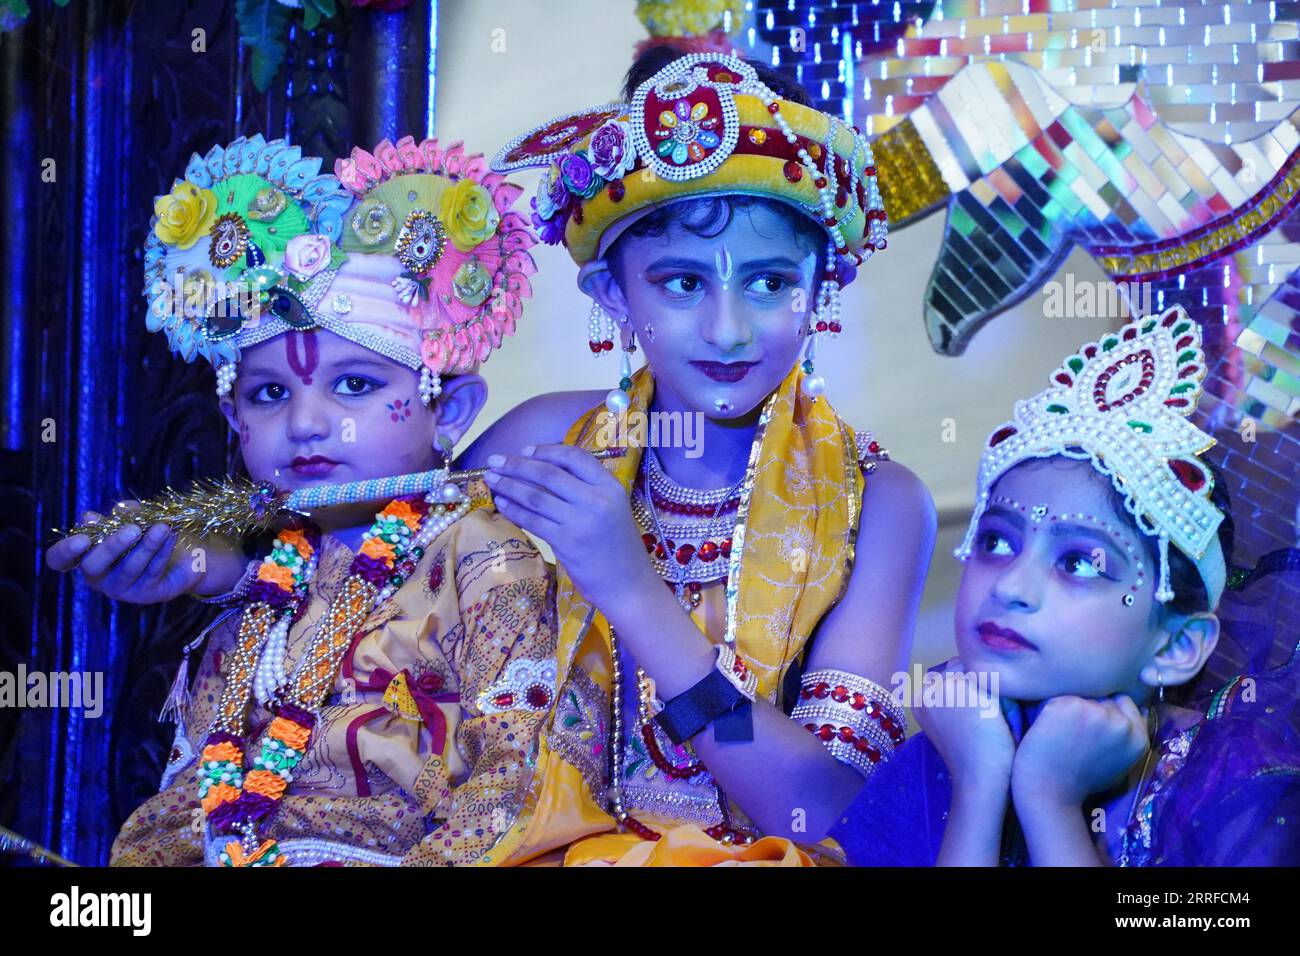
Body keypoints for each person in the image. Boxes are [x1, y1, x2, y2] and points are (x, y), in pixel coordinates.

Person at [455, 49, 937, 865]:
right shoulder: (539, 441)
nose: (728, 330)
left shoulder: (879, 503)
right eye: (680, 283)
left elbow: (822, 810)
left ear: (822, 289)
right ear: (612, 293)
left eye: (769, 282)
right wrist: (215, 563)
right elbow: (369, 600)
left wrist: (630, 589)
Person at [47, 133, 558, 866]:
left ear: (447, 411)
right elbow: (200, 789)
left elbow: (516, 788)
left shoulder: (481, 561)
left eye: (354, 385)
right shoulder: (269, 584)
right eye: (269, 394)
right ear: (234, 419)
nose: (308, 422)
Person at [828, 305, 1300, 866]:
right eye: (997, 543)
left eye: (1079, 562)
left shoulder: (1239, 781)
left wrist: (1048, 802)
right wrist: (979, 784)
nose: (1011, 587)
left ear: (1176, 647)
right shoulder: (945, 754)